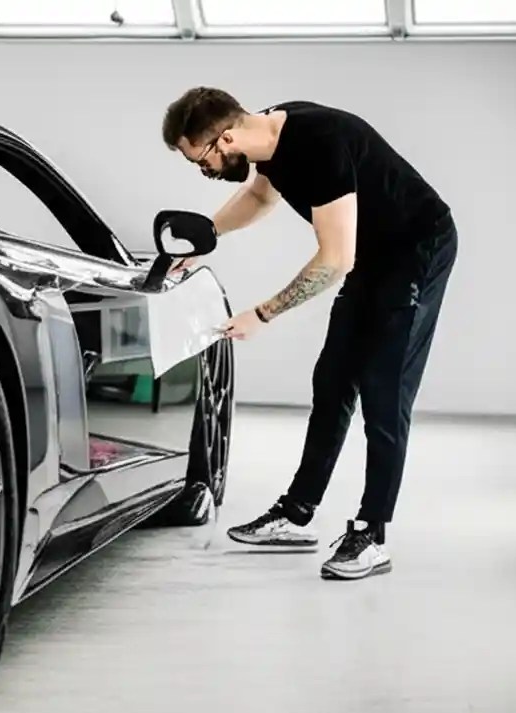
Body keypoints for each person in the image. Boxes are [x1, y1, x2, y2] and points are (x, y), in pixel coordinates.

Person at [160, 87, 457, 581]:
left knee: (384, 395)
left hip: (417, 248)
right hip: (371, 255)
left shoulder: (320, 143)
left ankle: (371, 534)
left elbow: (335, 260)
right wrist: (205, 236)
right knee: (333, 383)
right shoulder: (271, 137)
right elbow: (259, 196)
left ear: (226, 137)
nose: (206, 172)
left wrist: (264, 312)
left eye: (202, 161)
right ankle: (297, 513)